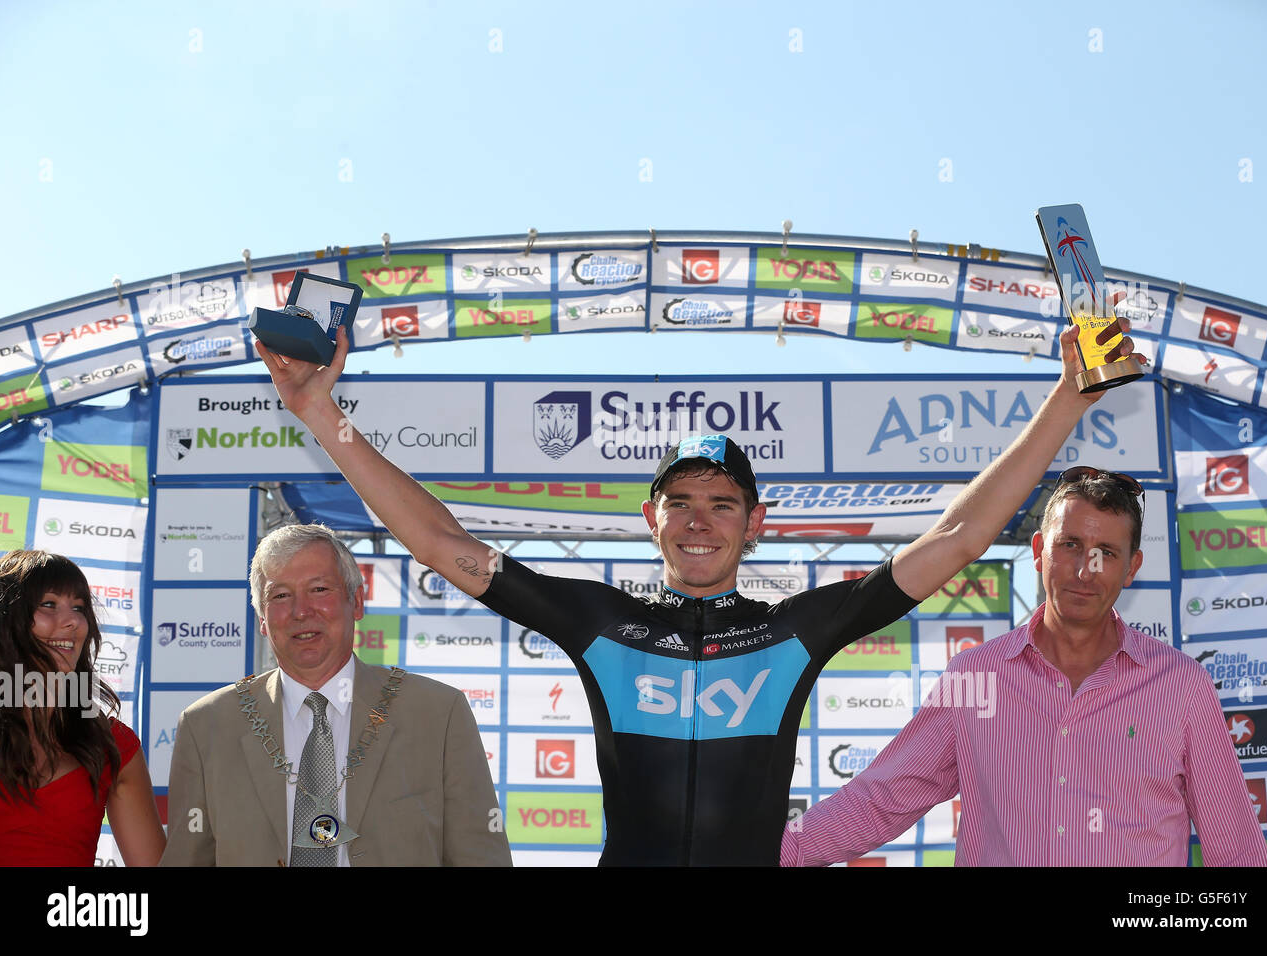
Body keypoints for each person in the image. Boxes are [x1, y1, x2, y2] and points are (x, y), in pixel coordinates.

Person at [256, 320, 1140, 865]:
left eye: (722, 505)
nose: (700, 521)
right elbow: (446, 544)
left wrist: (1067, 397)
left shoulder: (793, 631)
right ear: (651, 518)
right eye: (680, 504)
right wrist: (317, 414)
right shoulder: (601, 621)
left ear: (756, 523)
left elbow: (955, 539)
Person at [781, 466, 1267, 866]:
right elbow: (879, 801)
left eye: (1106, 553)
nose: (1085, 571)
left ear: (1132, 567)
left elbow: (1235, 844)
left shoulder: (1181, 684)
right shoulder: (975, 679)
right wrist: (756, 855)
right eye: (1070, 545)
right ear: (1039, 551)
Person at [160, 523, 511, 866]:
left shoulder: (437, 714)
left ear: (356, 601)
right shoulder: (206, 726)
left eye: (319, 590)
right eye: (280, 596)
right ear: (262, 619)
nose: (301, 611)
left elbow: (481, 856)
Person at [0, 550, 166, 866]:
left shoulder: (112, 744)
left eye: (79, 608)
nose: (73, 620)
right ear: (7, 620)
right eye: (49, 605)